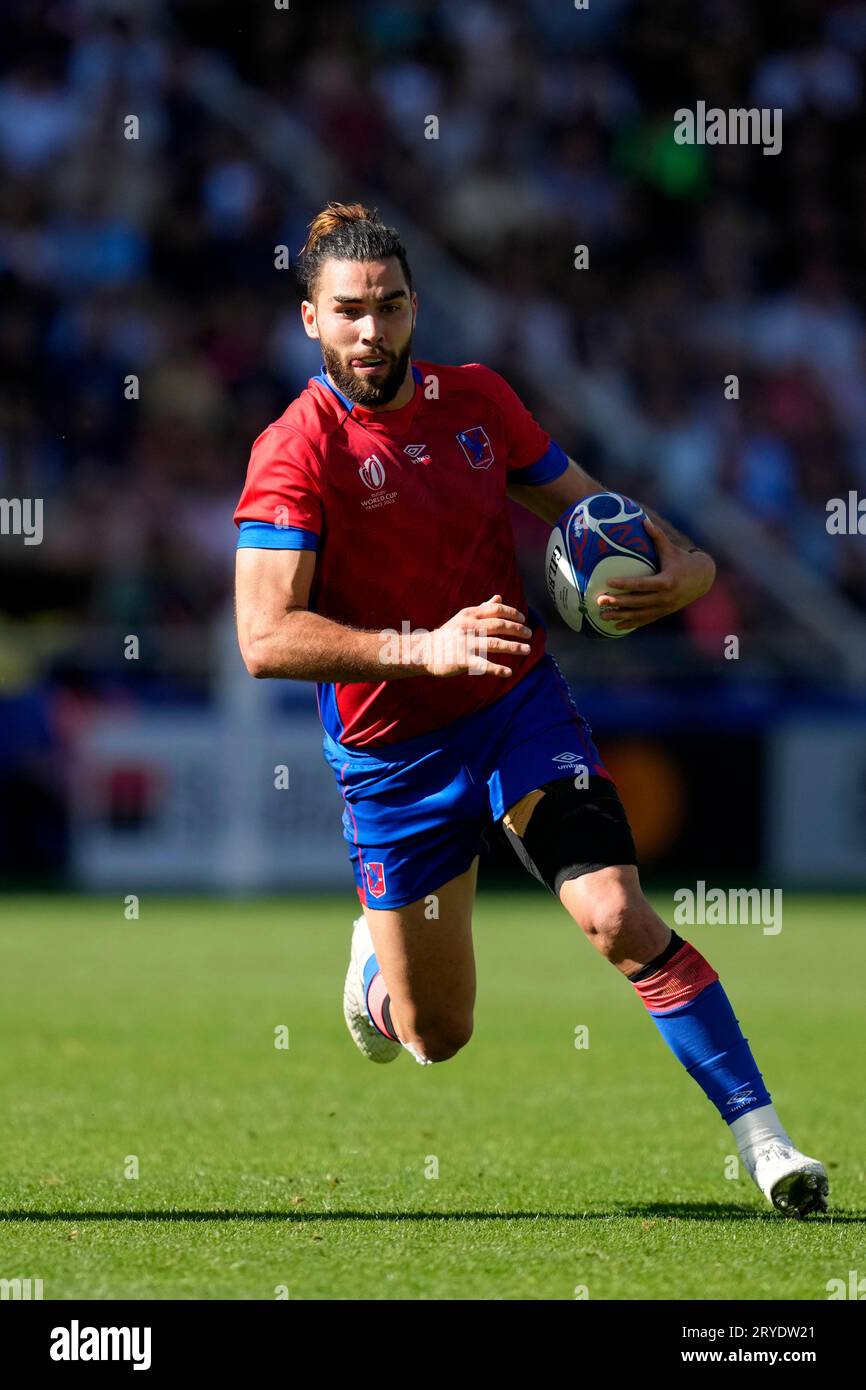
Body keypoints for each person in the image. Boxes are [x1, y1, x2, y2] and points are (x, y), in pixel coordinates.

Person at [233, 202, 827, 1219]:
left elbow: (599, 512)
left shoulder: (477, 404)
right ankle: (375, 976)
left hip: (515, 706)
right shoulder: (295, 453)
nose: (369, 331)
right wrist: (420, 648)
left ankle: (764, 1141)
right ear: (308, 321)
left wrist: (685, 568)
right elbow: (264, 637)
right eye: (346, 312)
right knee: (433, 1034)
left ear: (414, 306)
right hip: (392, 761)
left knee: (613, 914)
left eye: (386, 307)